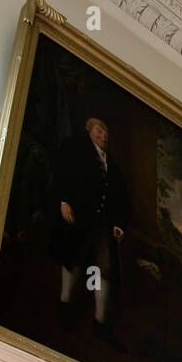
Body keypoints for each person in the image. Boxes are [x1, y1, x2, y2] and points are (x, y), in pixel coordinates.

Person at [50, 117, 131, 346]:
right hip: (80, 219)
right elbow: (62, 172)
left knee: (103, 270)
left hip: (103, 226)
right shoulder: (76, 149)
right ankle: (65, 305)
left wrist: (119, 224)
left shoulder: (112, 164)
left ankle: (100, 323)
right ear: (89, 131)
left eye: (106, 133)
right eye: (99, 130)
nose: (103, 136)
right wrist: (64, 201)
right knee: (73, 260)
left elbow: (122, 198)